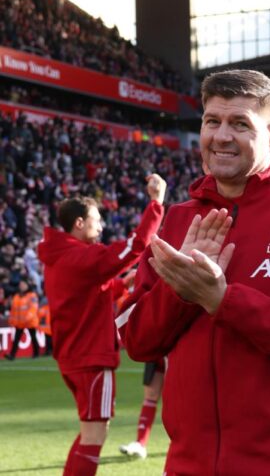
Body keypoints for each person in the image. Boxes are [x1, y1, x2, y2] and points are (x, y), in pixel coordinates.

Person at [116, 69, 270, 476]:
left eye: (240, 124)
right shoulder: (178, 220)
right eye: (212, 121)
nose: (222, 136)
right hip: (188, 463)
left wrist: (221, 300)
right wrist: (180, 291)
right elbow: (136, 338)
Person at [38, 177, 166, 476]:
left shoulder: (59, 256)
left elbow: (88, 292)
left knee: (88, 433)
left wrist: (124, 282)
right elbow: (137, 244)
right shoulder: (83, 256)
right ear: (79, 223)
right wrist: (156, 203)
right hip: (91, 356)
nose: (103, 225)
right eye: (98, 220)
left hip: (73, 357)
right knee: (95, 435)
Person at [118, 357, 166, 460]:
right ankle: (140, 443)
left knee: (179, 397)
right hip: (157, 351)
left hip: (177, 351)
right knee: (151, 395)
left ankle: (186, 444)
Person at [5, 279, 40, 361]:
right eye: (20, 285)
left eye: (23, 284)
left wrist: (28, 317)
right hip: (20, 322)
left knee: (33, 337)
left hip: (30, 321)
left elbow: (33, 308)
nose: (21, 286)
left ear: (27, 285)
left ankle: (36, 353)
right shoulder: (17, 296)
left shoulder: (32, 295)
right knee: (16, 339)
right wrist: (11, 319)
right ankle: (12, 355)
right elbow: (14, 310)